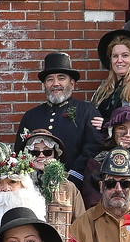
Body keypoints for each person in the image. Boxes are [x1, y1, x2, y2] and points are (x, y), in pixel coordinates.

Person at [16, 53, 101, 196]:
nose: (55, 83)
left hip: (75, 188)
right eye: (50, 79)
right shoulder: (30, 116)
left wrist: (73, 178)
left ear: (72, 84)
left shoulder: (88, 112)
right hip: (35, 191)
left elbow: (93, 148)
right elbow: (20, 152)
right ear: (45, 85)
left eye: (61, 78)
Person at [19, 129, 84, 242]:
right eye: (35, 152)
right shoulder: (19, 185)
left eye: (47, 152)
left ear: (55, 154)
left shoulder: (69, 187)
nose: (41, 156)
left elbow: (80, 222)